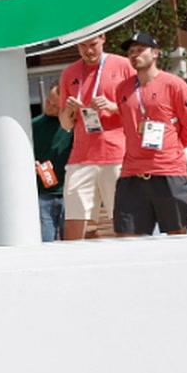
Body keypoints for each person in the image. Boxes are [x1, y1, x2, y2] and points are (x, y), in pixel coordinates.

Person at [113, 33, 187, 236]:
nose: (134, 55)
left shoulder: (174, 84)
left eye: (140, 50)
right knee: (127, 236)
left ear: (155, 53)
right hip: (132, 172)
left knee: (177, 234)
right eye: (131, 52)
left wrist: (170, 146)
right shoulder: (122, 89)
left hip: (168, 170)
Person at [55, 32, 134, 240]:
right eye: (82, 46)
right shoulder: (69, 72)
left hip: (117, 155)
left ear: (103, 38)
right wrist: (69, 110)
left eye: (93, 44)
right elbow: (65, 124)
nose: (88, 51)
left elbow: (139, 109)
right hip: (81, 157)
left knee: (124, 222)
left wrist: (113, 106)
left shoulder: (123, 65)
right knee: (74, 224)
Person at [34, 86, 73, 243]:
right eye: (48, 101)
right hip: (43, 192)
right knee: (46, 241)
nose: (48, 106)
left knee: (72, 243)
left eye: (54, 104)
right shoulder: (34, 125)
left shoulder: (74, 126)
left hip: (68, 192)